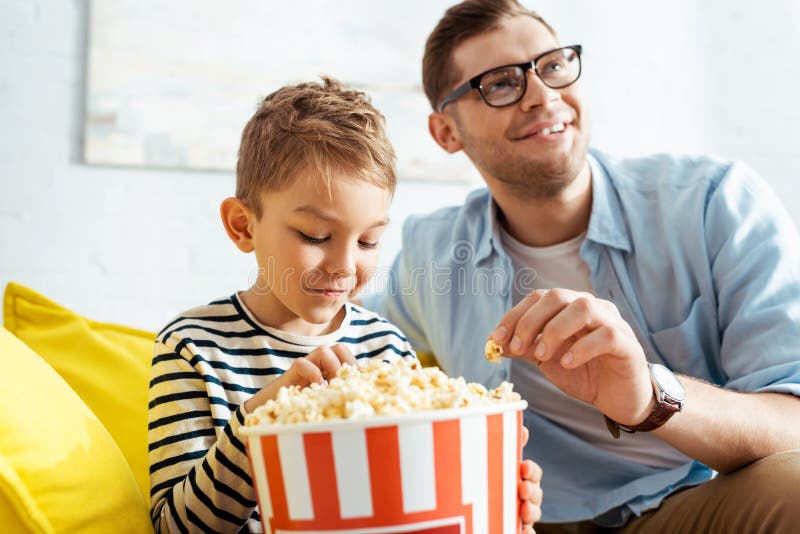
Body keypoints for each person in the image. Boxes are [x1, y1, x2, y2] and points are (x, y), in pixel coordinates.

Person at [369, 0, 800, 531]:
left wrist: (648, 395)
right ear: (446, 133)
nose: (543, 96)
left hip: (669, 508)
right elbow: (355, 336)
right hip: (512, 518)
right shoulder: (430, 251)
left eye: (551, 66)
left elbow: (794, 424)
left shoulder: (713, 204)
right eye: (501, 84)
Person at [147, 77, 541, 533]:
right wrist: (262, 422)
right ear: (243, 226)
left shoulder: (388, 350)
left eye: (369, 240)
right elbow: (174, 528)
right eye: (316, 236)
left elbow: (411, 506)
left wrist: (494, 504)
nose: (344, 266)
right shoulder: (193, 348)